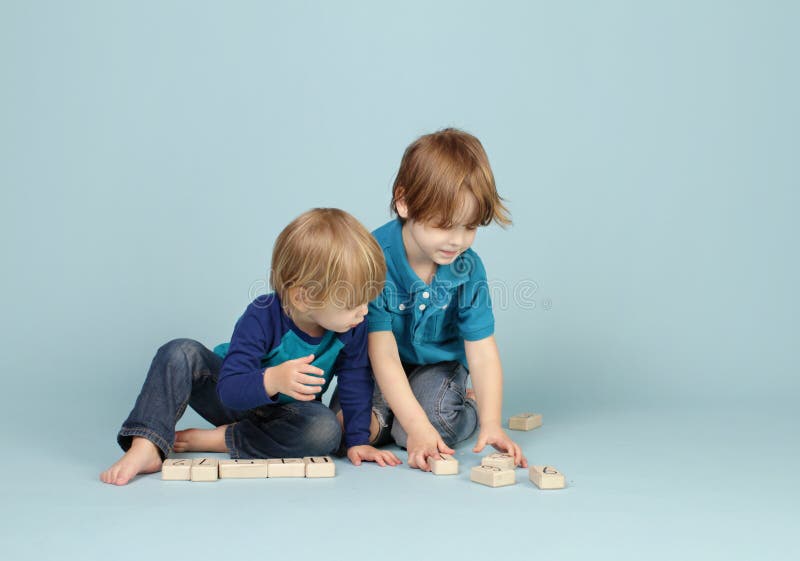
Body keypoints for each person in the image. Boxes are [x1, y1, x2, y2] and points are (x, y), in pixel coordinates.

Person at [101, 208, 401, 486]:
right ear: (304, 298)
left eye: (367, 299)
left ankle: (223, 440)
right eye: (352, 303)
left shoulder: (352, 326)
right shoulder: (263, 315)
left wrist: (359, 440)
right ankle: (147, 444)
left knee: (326, 430)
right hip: (231, 394)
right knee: (179, 351)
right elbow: (229, 388)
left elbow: (356, 381)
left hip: (287, 414)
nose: (364, 311)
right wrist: (272, 379)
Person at [364, 128, 528, 471]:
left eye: (469, 227)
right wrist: (415, 426)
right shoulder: (373, 258)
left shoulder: (468, 269)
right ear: (404, 202)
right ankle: (396, 413)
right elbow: (383, 354)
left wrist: (491, 422)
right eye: (443, 225)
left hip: (437, 365)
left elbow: (482, 352)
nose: (457, 240)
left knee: (434, 425)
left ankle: (462, 405)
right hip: (382, 361)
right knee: (361, 427)